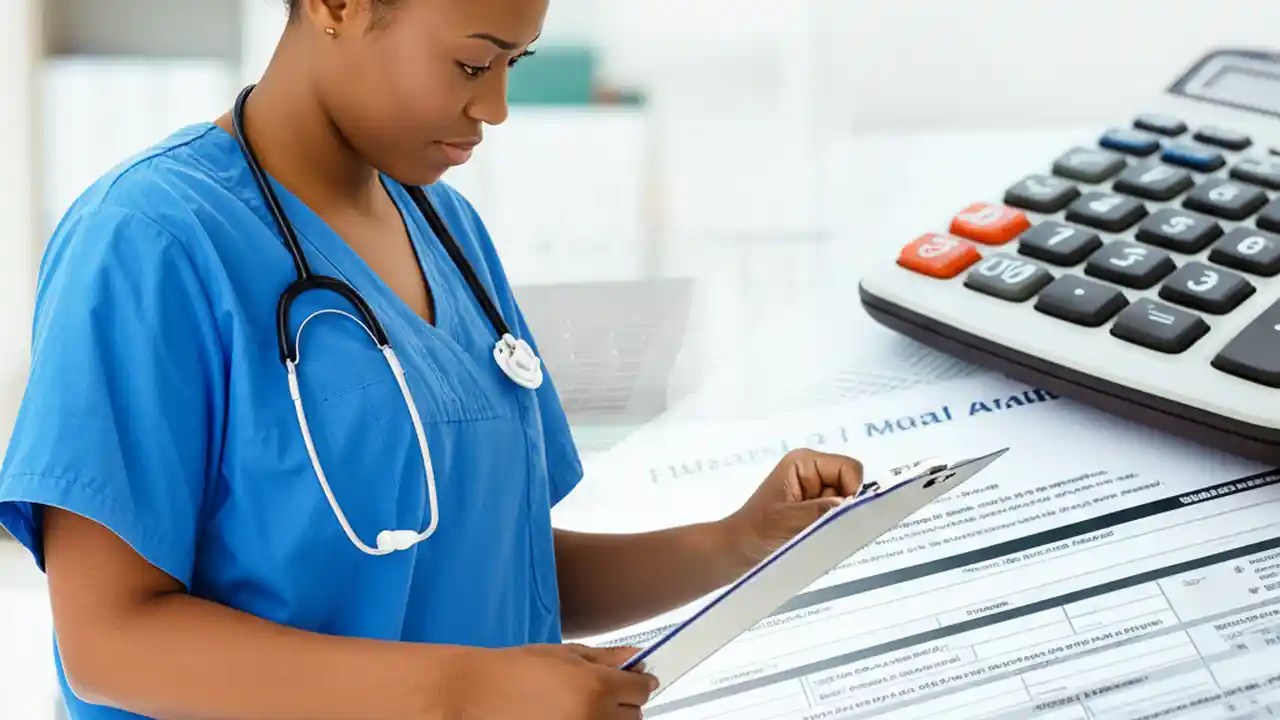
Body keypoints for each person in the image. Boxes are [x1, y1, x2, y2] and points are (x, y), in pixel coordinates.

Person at [0, 0, 865, 718]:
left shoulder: (451, 235)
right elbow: (109, 643)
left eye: (514, 65)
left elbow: (495, 565)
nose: (494, 110)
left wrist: (732, 545)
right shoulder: (148, 239)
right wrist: (470, 691)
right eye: (470, 64)